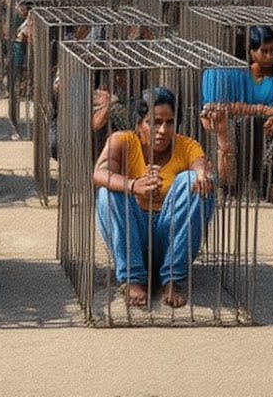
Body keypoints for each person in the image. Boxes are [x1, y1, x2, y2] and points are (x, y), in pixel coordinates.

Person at [93, 88, 217, 308]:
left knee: (193, 182)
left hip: (168, 238)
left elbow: (199, 163)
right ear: (139, 123)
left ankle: (172, 278)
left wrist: (201, 173)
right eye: (154, 122)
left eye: (169, 122)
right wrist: (133, 186)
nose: (162, 130)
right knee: (107, 192)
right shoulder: (122, 141)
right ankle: (133, 279)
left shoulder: (186, 145)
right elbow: (99, 173)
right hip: (132, 236)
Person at [200, 26, 273, 201]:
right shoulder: (218, 74)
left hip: (261, 134)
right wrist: (263, 110)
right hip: (229, 130)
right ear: (252, 52)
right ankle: (227, 188)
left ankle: (264, 185)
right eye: (264, 51)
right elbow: (215, 107)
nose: (270, 56)